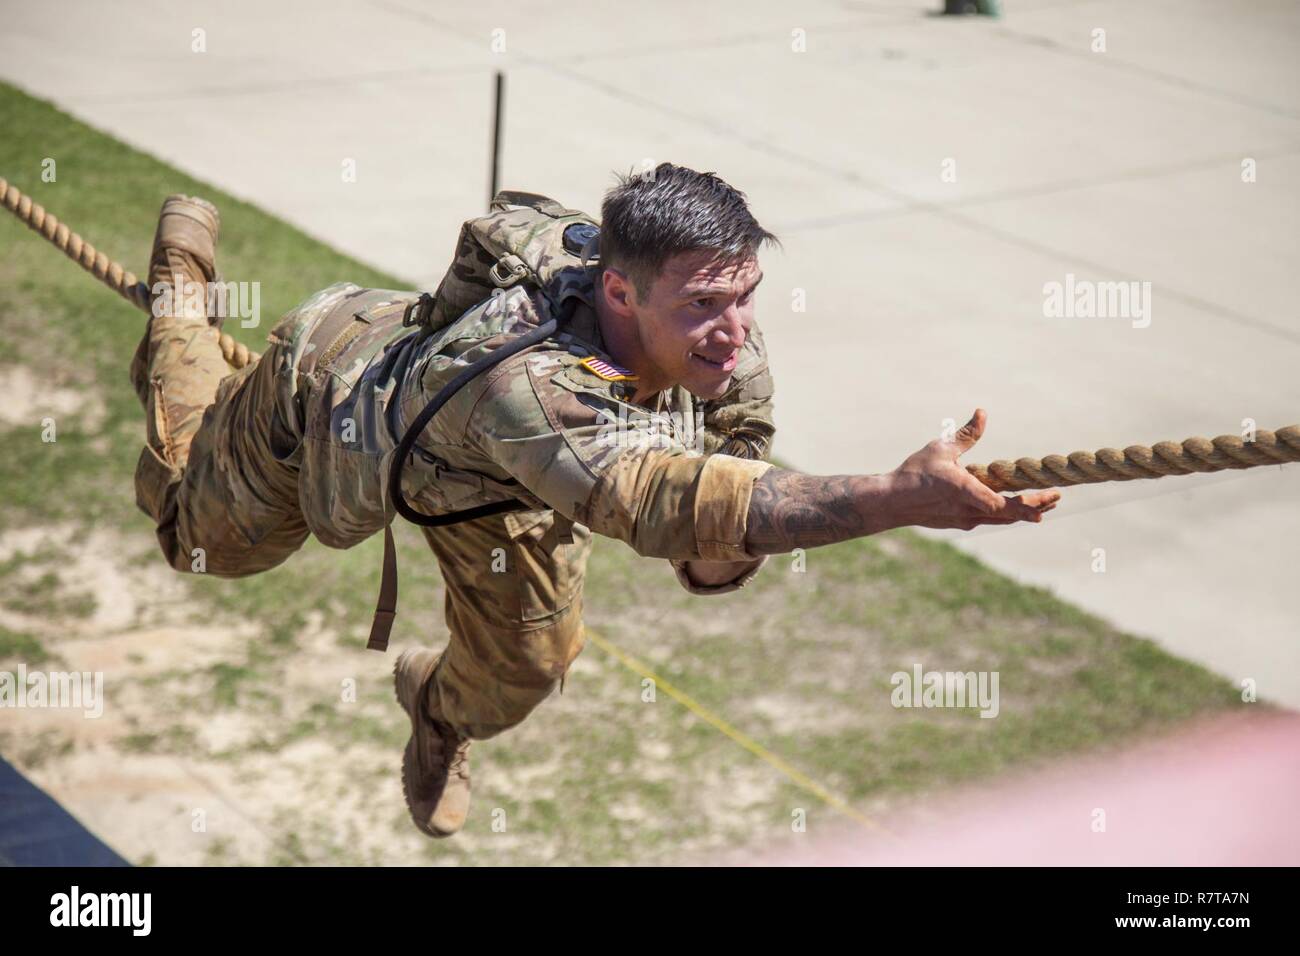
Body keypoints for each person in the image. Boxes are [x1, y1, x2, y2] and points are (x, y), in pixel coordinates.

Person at [130, 163, 1059, 838]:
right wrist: (901, 496)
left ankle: (436, 712)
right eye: (702, 304)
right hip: (326, 390)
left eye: (746, 297)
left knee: (529, 666)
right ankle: (182, 292)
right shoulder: (529, 387)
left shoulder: (719, 344)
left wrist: (731, 552)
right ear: (618, 288)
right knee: (201, 539)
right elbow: (668, 501)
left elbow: (713, 526)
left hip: (491, 487)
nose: (734, 333)